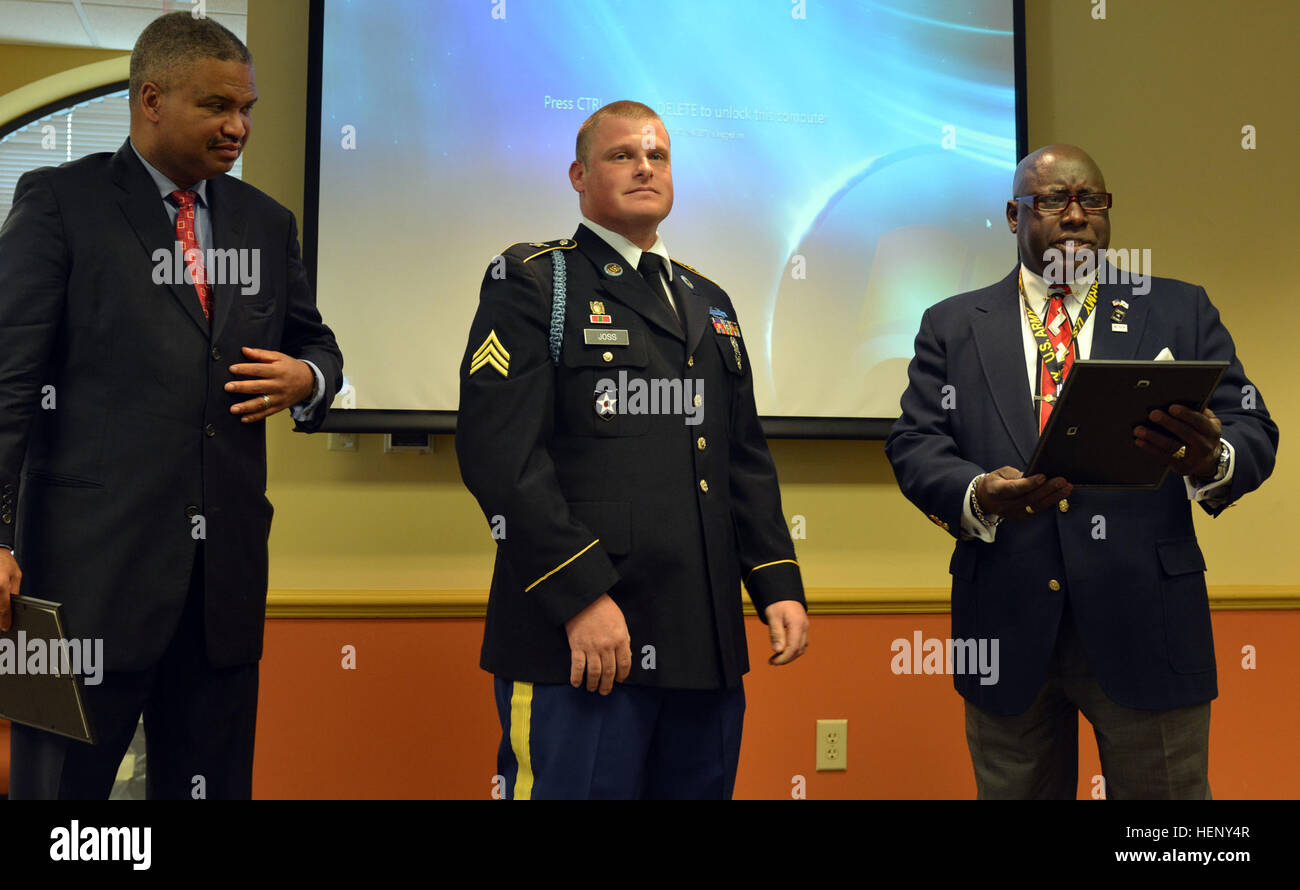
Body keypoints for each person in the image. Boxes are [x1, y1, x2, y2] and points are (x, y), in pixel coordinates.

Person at [0, 12, 343, 799]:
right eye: (217, 107)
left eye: (247, 108)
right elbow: (8, 382)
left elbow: (318, 348)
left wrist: (308, 380)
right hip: (78, 585)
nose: (239, 127)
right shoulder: (58, 201)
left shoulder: (265, 222)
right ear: (151, 99)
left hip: (219, 591)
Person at [885, 144, 1277, 800]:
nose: (1074, 215)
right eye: (1052, 201)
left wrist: (1214, 457)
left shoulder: (1179, 310)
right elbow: (915, 443)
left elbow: (1252, 427)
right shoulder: (952, 325)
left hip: (1147, 622)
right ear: (1015, 215)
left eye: (1090, 200)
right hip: (1005, 624)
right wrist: (979, 492)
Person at [456, 100, 808, 799]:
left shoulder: (709, 300)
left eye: (659, 155)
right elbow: (501, 457)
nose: (645, 166)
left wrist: (775, 580)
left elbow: (741, 457)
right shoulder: (535, 280)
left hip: (701, 641)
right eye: (622, 155)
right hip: (580, 640)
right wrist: (581, 596)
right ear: (578, 175)